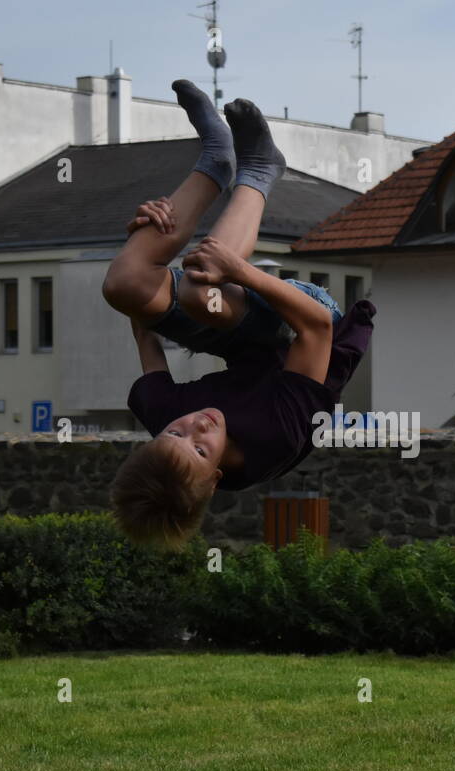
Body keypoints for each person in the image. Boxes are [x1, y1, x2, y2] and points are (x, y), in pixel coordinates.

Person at [100, 79, 375, 550]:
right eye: (201, 447)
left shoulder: (166, 426)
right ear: (214, 479)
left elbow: (145, 334)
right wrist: (241, 272)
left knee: (122, 285)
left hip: (239, 338)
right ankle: (259, 169)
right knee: (197, 290)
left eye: (175, 431)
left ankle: (213, 161)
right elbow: (317, 326)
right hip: (302, 324)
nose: (195, 425)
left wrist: (144, 241)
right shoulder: (278, 435)